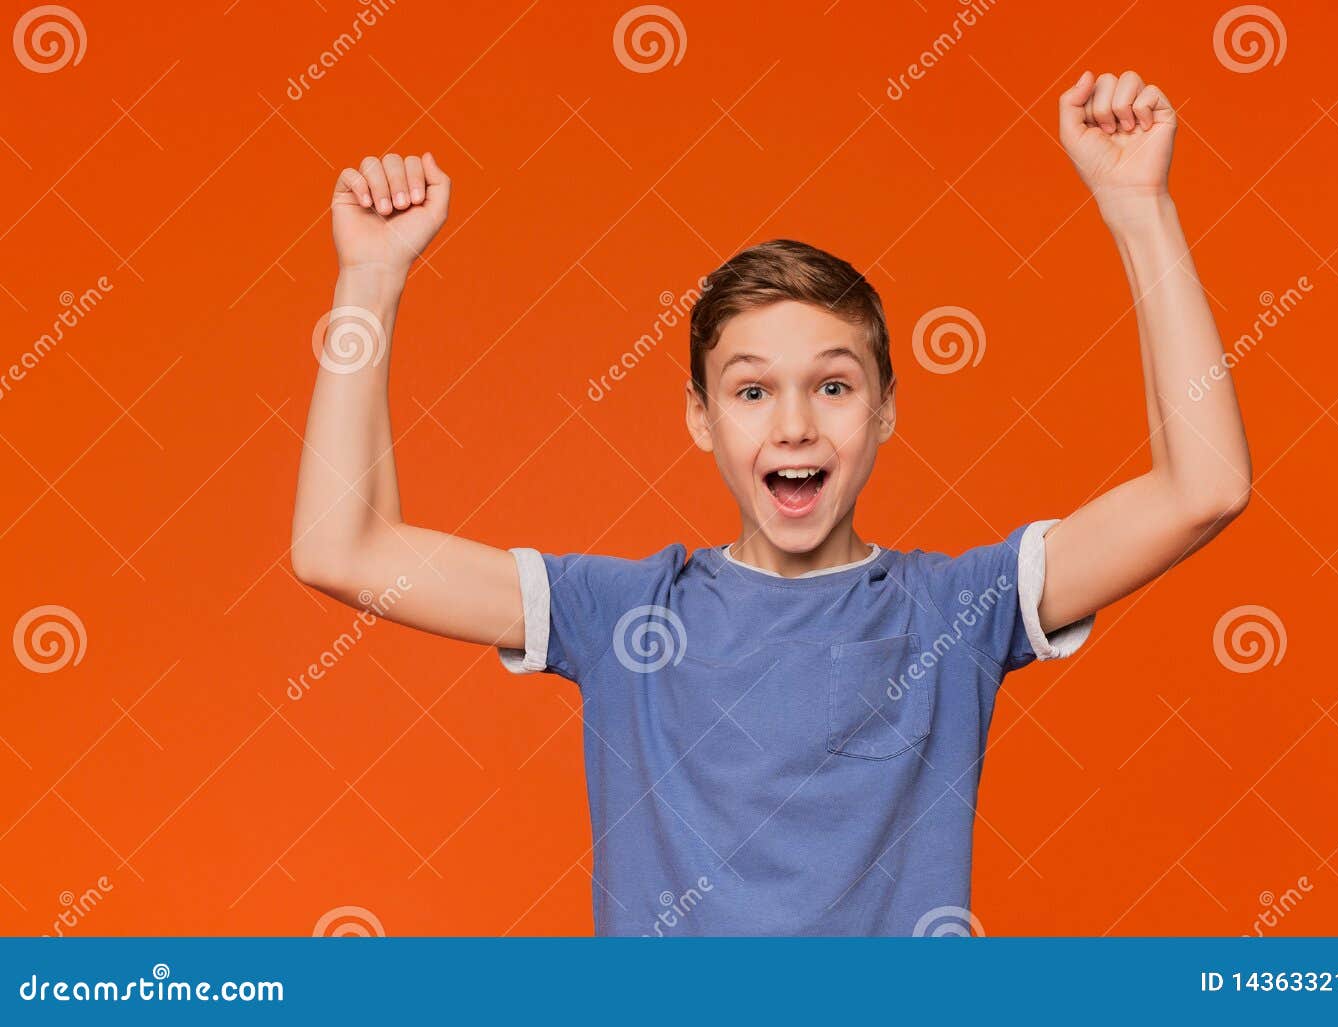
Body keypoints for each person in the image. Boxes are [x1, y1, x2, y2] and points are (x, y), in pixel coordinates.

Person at [290, 69, 1251, 935]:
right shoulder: (623, 616)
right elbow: (344, 548)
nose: (793, 424)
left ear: (884, 414)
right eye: (752, 390)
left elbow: (1202, 487)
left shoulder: (959, 610)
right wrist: (369, 280)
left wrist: (1139, 209)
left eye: (833, 385)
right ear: (701, 419)